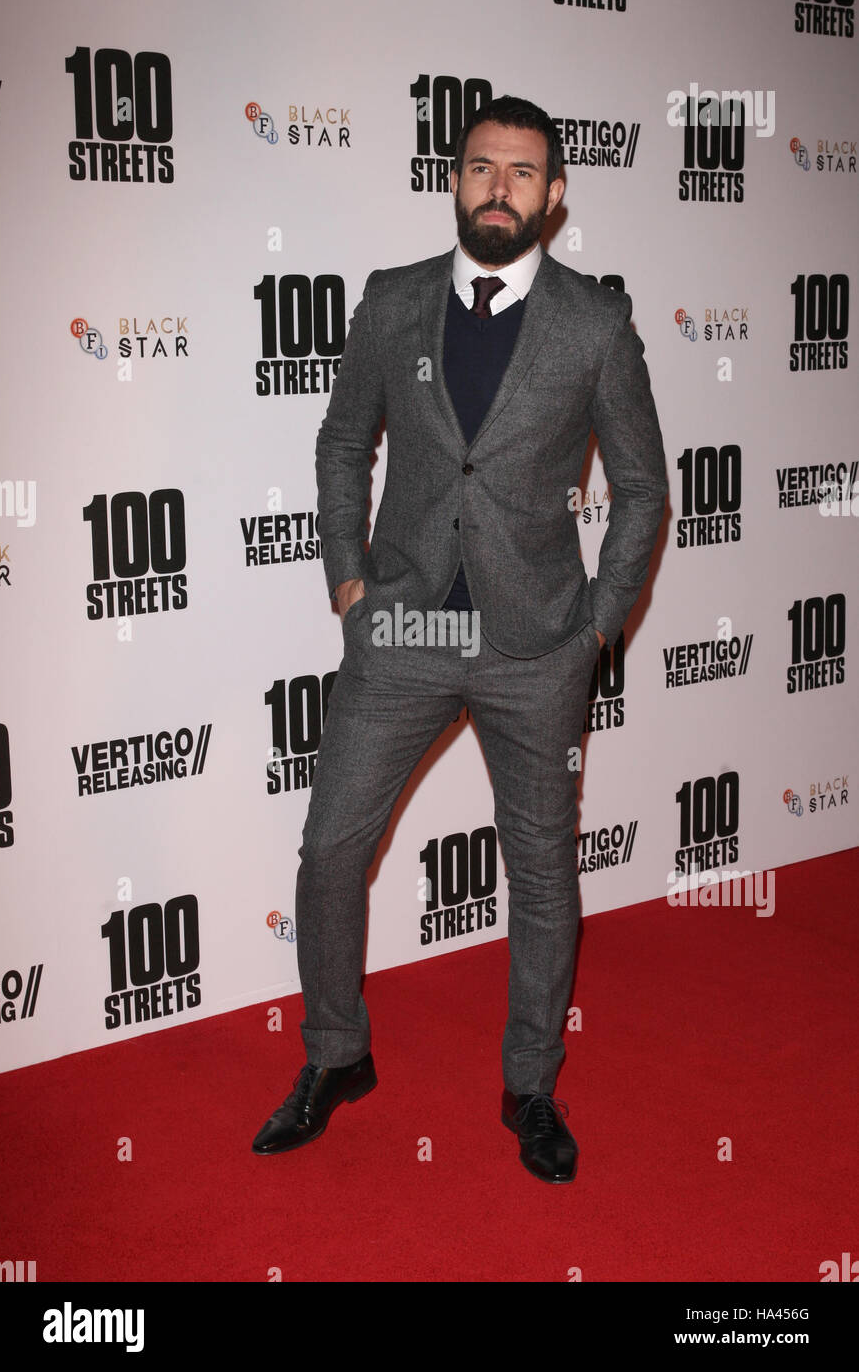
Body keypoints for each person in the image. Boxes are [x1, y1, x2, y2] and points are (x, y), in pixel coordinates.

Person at [252, 95, 668, 1183]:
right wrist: (349, 580)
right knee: (331, 846)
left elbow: (640, 488)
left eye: (521, 173)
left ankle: (529, 1082)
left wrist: (594, 626)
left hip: (536, 644)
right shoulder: (392, 303)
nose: (498, 187)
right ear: (453, 179)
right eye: (480, 166)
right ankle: (335, 1055)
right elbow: (344, 440)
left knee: (539, 871)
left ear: (554, 194)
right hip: (403, 626)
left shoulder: (592, 324)